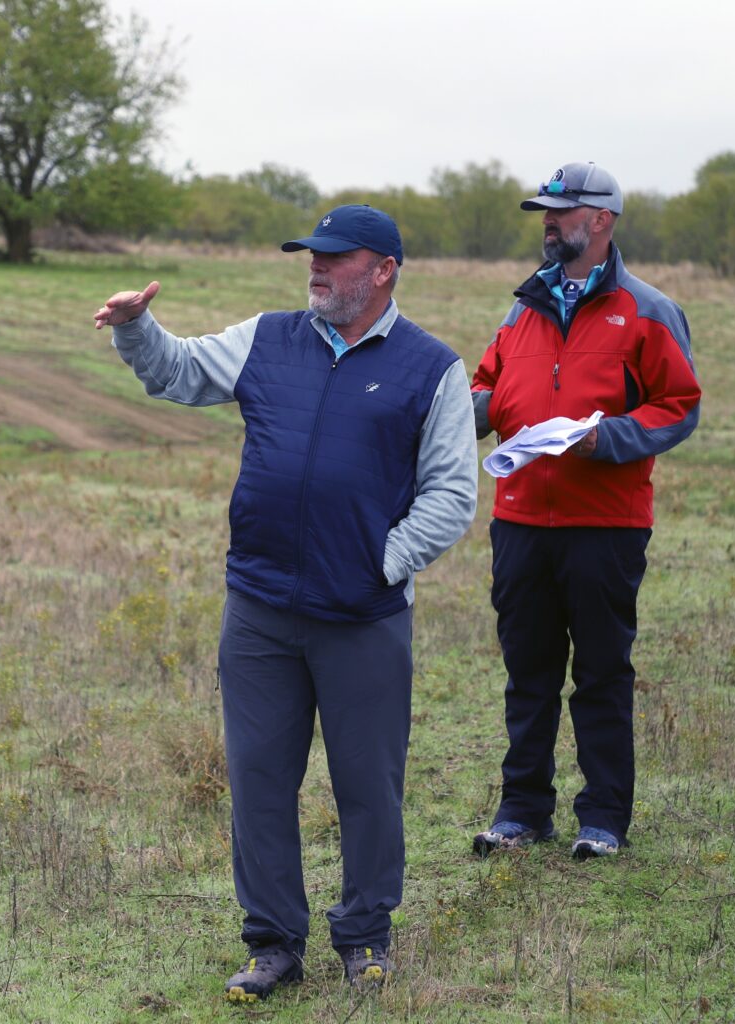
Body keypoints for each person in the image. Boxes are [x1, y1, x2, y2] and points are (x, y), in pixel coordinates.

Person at [92, 205, 477, 1000]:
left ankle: (367, 937)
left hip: (363, 618)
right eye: (312, 255)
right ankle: (273, 944)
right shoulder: (269, 338)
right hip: (260, 609)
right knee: (259, 779)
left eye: (336, 259)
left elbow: (451, 493)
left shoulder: (430, 367)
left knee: (369, 784)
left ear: (383, 271)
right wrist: (137, 327)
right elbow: (178, 371)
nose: (316, 268)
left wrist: (385, 564)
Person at [469, 162, 701, 861]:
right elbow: (488, 383)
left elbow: (679, 405)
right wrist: (462, 416)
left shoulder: (648, 310)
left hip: (604, 524)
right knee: (528, 671)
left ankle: (603, 818)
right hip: (519, 518)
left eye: (560, 213)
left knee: (601, 673)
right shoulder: (523, 305)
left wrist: (609, 437)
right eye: (543, 212)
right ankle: (522, 811)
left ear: (601, 221)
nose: (547, 223)